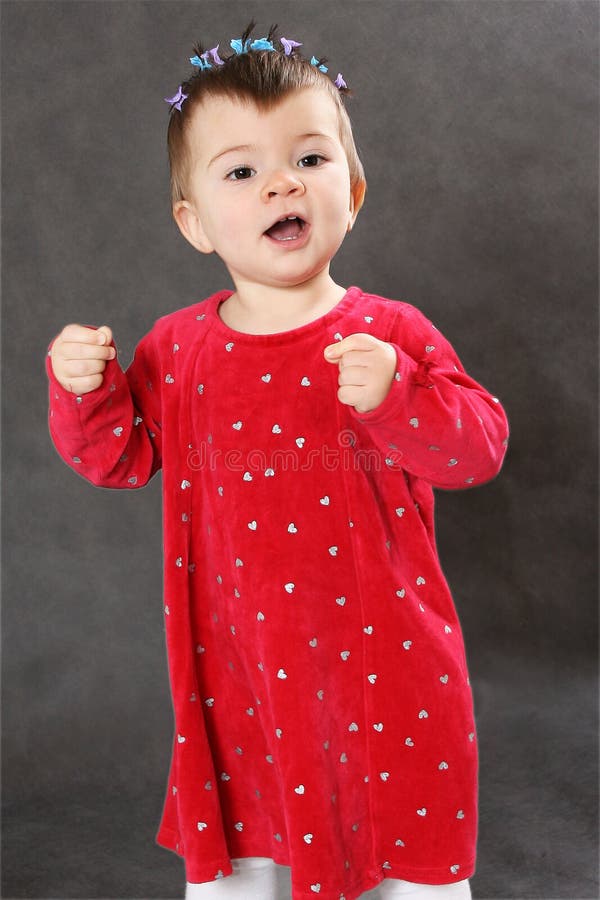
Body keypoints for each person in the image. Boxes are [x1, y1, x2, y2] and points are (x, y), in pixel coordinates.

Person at [45, 20, 509, 900]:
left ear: (353, 191)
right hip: (241, 683)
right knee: (249, 858)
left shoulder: (390, 333)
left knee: (401, 859)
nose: (281, 183)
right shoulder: (178, 350)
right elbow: (119, 457)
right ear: (193, 223)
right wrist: (86, 390)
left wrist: (402, 393)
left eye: (310, 158)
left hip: (387, 676)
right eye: (241, 172)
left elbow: (478, 447)